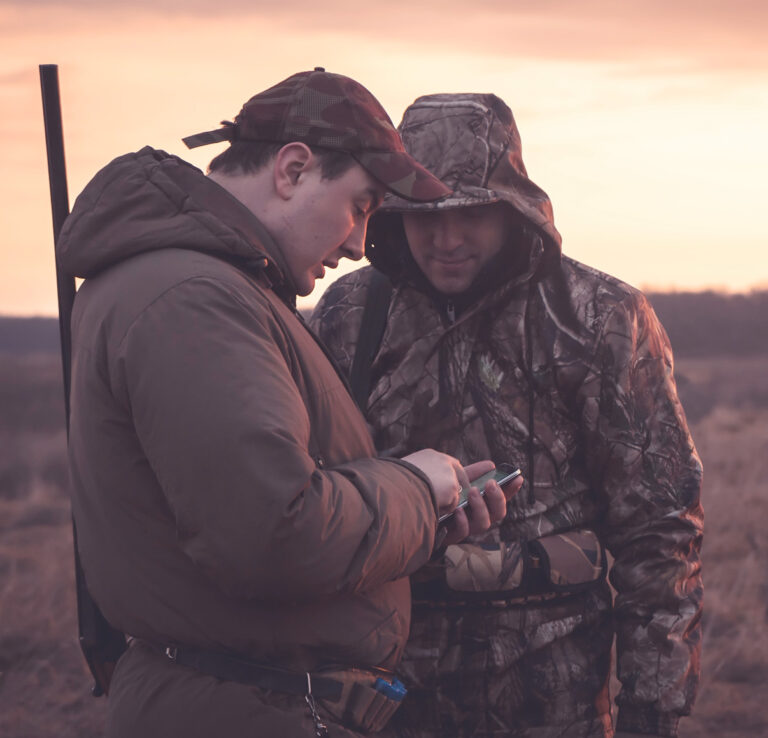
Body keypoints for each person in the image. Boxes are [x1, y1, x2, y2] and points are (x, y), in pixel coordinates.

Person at [56, 72, 521, 738]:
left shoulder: (205, 286)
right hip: (244, 710)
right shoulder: (194, 298)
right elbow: (276, 535)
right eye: (359, 206)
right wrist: (416, 489)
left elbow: (243, 517)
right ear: (293, 169)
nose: (361, 242)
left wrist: (422, 527)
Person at [311, 93, 704, 738]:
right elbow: (314, 499)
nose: (446, 239)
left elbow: (659, 527)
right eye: (420, 215)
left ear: (510, 207)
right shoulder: (349, 315)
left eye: (469, 213)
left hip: (557, 694)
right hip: (387, 690)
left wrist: (651, 704)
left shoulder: (601, 317)